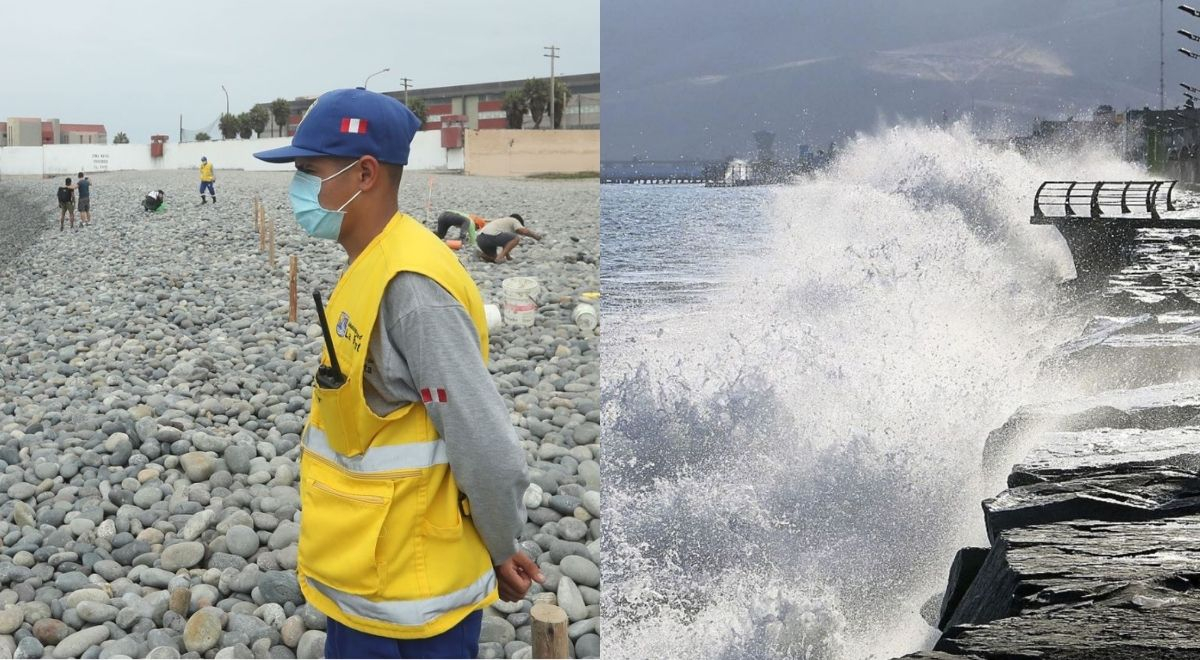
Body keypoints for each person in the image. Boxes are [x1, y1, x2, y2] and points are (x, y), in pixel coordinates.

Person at [253, 87, 539, 659]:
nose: (298, 188)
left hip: (414, 608)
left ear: (364, 175)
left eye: (309, 171)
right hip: (371, 586)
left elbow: (485, 441)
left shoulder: (412, 290)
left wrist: (501, 543)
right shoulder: (371, 264)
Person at [477, 213, 542, 263]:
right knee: (515, 238)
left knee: (493, 258)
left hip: (480, 239)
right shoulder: (514, 220)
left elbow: (505, 244)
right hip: (490, 236)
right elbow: (522, 230)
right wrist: (535, 236)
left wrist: (508, 257)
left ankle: (484, 255)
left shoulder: (502, 222)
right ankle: (500, 257)